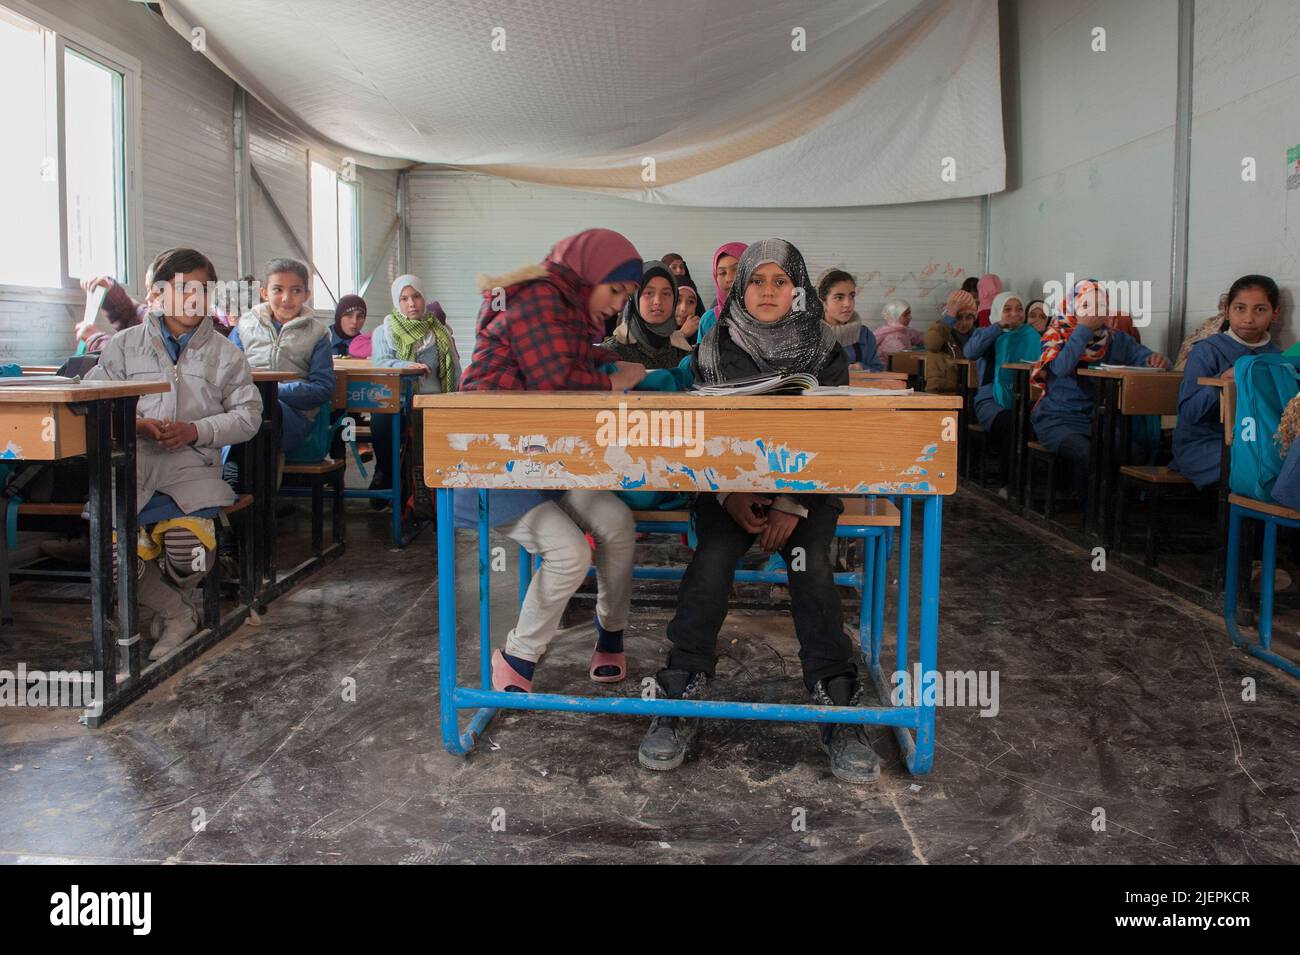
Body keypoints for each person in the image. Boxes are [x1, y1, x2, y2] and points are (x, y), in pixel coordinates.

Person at [636, 238, 880, 784]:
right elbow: (697, 437)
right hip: (729, 489)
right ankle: (681, 689)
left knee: (811, 567)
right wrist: (730, 494)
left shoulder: (824, 348)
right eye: (756, 281)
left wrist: (791, 502)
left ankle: (837, 700)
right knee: (712, 563)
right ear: (740, 288)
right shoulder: (713, 347)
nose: (768, 291)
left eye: (779, 281)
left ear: (796, 288)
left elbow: (833, 436)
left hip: (807, 493)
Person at [458, 228, 646, 690]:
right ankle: (518, 657)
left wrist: (610, 366)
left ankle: (610, 634)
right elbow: (556, 379)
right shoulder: (539, 299)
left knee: (617, 523)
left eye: (626, 296)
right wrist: (615, 378)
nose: (618, 304)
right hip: (492, 459)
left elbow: (576, 361)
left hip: (548, 461)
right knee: (569, 552)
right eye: (616, 290)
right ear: (589, 273)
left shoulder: (568, 312)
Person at [87, 248, 260, 660]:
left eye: (202, 290)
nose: (192, 299)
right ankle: (177, 612)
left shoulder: (225, 354)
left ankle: (162, 602)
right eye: (181, 289)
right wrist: (138, 426)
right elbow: (96, 404)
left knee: (189, 553)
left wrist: (195, 431)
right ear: (155, 293)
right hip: (135, 467)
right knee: (110, 556)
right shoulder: (123, 347)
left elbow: (249, 417)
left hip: (193, 468)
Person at [1030, 279, 1168, 508]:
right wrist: (1082, 330)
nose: (1095, 312)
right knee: (1088, 454)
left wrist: (1158, 359)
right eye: (1086, 306)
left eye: (1100, 306)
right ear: (1072, 306)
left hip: (1097, 420)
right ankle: (1091, 518)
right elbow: (1061, 368)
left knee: (1131, 450)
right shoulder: (1056, 335)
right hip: (1057, 419)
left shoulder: (1116, 339)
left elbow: (1144, 357)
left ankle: (1118, 514)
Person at [1171, 275, 1280, 488]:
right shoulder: (1206, 351)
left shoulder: (1277, 357)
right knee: (1259, 464)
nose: (1248, 318)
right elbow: (1190, 413)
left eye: (1260, 310)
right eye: (1240, 308)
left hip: (1260, 442)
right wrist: (1219, 383)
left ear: (1275, 314)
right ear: (1227, 311)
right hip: (1205, 445)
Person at [229, 258, 335, 460]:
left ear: (306, 295)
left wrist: (271, 391)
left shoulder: (317, 334)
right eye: (277, 290)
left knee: (263, 411)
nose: (286, 298)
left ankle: (242, 476)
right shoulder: (244, 327)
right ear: (264, 293)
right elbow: (227, 375)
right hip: (244, 408)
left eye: (296, 290)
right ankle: (240, 476)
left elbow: (322, 388)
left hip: (293, 416)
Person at [603, 261, 691, 367]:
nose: (658, 301)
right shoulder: (612, 353)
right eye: (649, 293)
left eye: (666, 293)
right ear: (635, 298)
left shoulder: (684, 352)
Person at [817, 268, 883, 371]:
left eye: (852, 296)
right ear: (823, 302)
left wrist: (863, 368)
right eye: (839, 297)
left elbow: (879, 371)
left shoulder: (865, 335)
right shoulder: (809, 335)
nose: (848, 304)